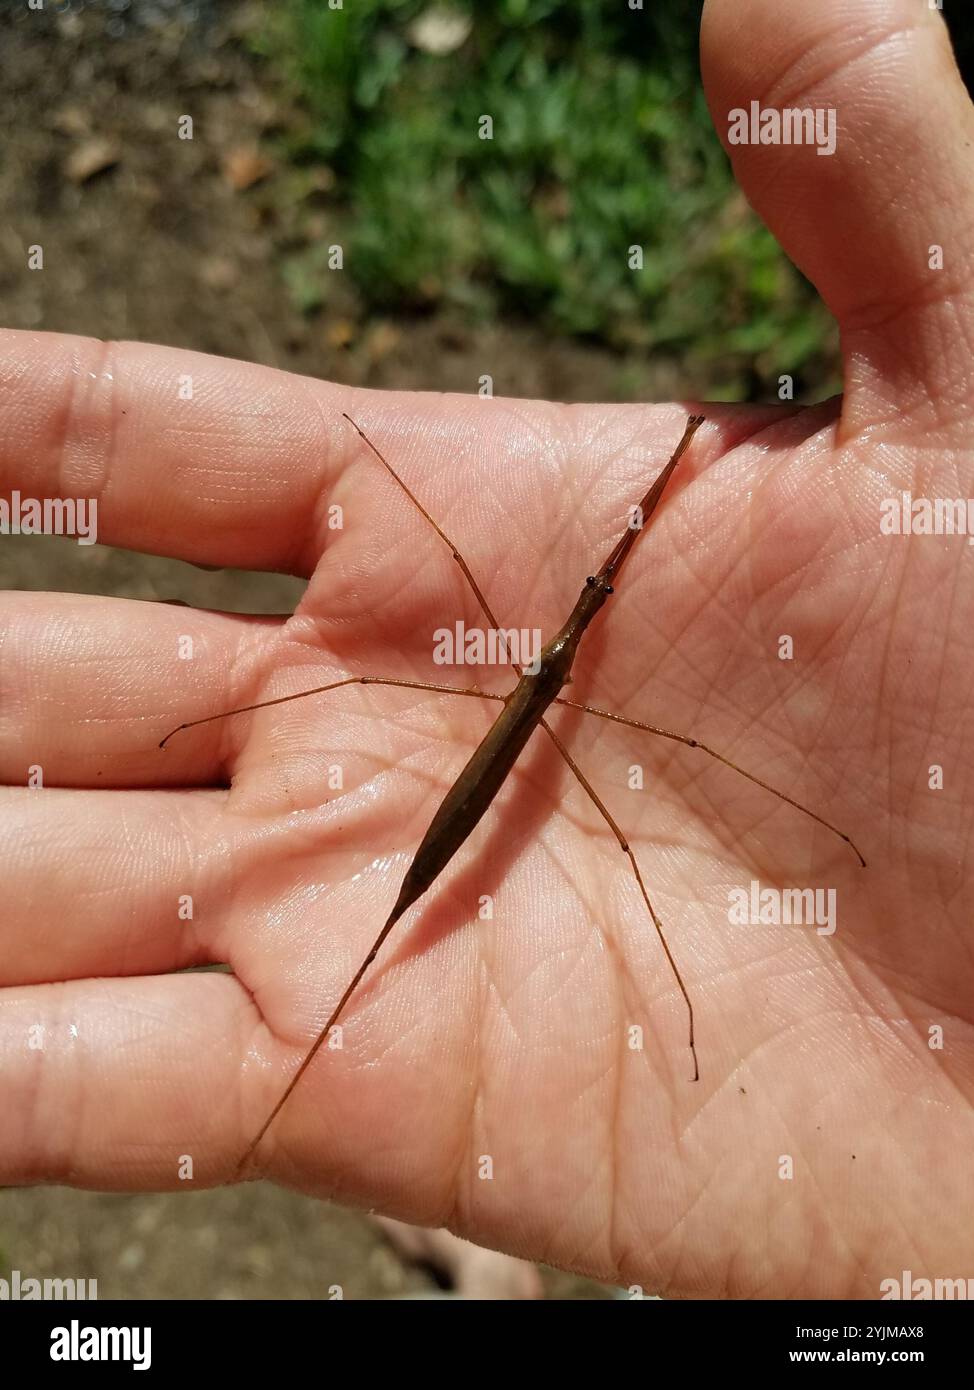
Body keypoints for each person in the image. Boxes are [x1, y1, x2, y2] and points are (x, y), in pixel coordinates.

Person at [2, 0, 971, 1298]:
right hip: (460, 820)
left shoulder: (557, 656)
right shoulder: (556, 665)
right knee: (394, 698)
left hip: (481, 799)